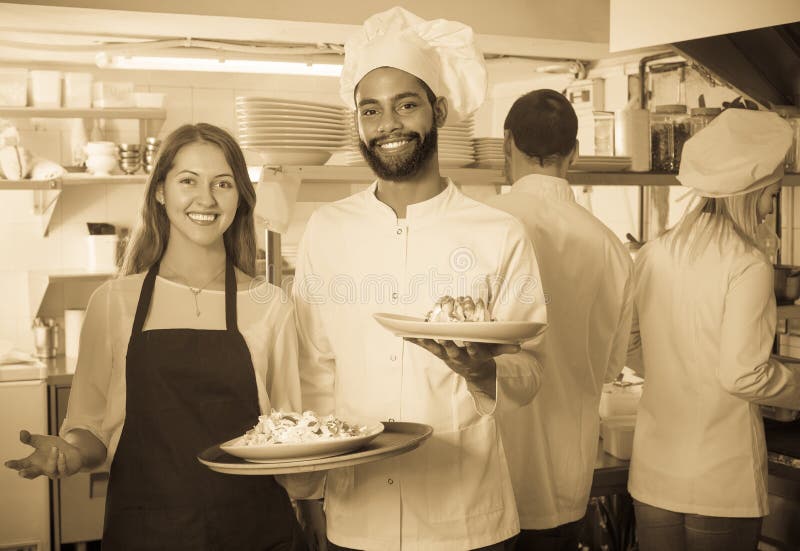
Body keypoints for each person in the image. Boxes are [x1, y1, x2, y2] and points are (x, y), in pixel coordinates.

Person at [292, 7, 547, 551]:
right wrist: (311, 492)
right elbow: (313, 368)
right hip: (357, 514)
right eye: (370, 110)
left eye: (406, 104)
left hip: (466, 516)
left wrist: (485, 372)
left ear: (440, 109)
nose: (388, 125)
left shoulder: (498, 232)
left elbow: (532, 368)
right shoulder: (326, 229)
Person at [5, 123, 306, 550]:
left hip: (255, 532)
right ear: (161, 191)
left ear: (240, 197)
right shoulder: (113, 303)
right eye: (188, 181)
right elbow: (90, 428)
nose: (206, 199)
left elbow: (291, 437)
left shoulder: (271, 305)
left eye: (223, 183)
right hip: (147, 533)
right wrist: (69, 453)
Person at [626, 108, 800, 551]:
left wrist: (676, 372)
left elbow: (628, 347)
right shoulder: (747, 263)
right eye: (771, 194)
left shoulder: (653, 253)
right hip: (720, 478)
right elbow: (743, 374)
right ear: (749, 193)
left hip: (654, 473)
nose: (770, 206)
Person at [485, 89, 634, 551]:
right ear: (575, 151)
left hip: (486, 479)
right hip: (564, 478)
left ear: (506, 143)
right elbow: (611, 369)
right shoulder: (609, 245)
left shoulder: (483, 224)